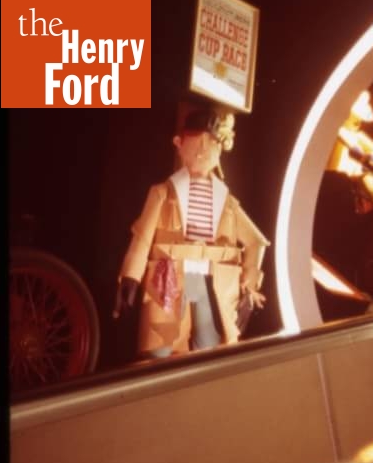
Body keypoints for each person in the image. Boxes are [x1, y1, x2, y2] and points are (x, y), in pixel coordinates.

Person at [113, 106, 270, 359]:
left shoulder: (226, 201)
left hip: (208, 280)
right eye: (196, 143)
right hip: (168, 279)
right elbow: (142, 239)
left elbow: (255, 242)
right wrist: (130, 278)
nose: (202, 151)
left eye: (209, 145)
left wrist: (249, 289)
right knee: (160, 344)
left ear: (219, 149)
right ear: (179, 143)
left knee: (208, 343)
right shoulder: (162, 193)